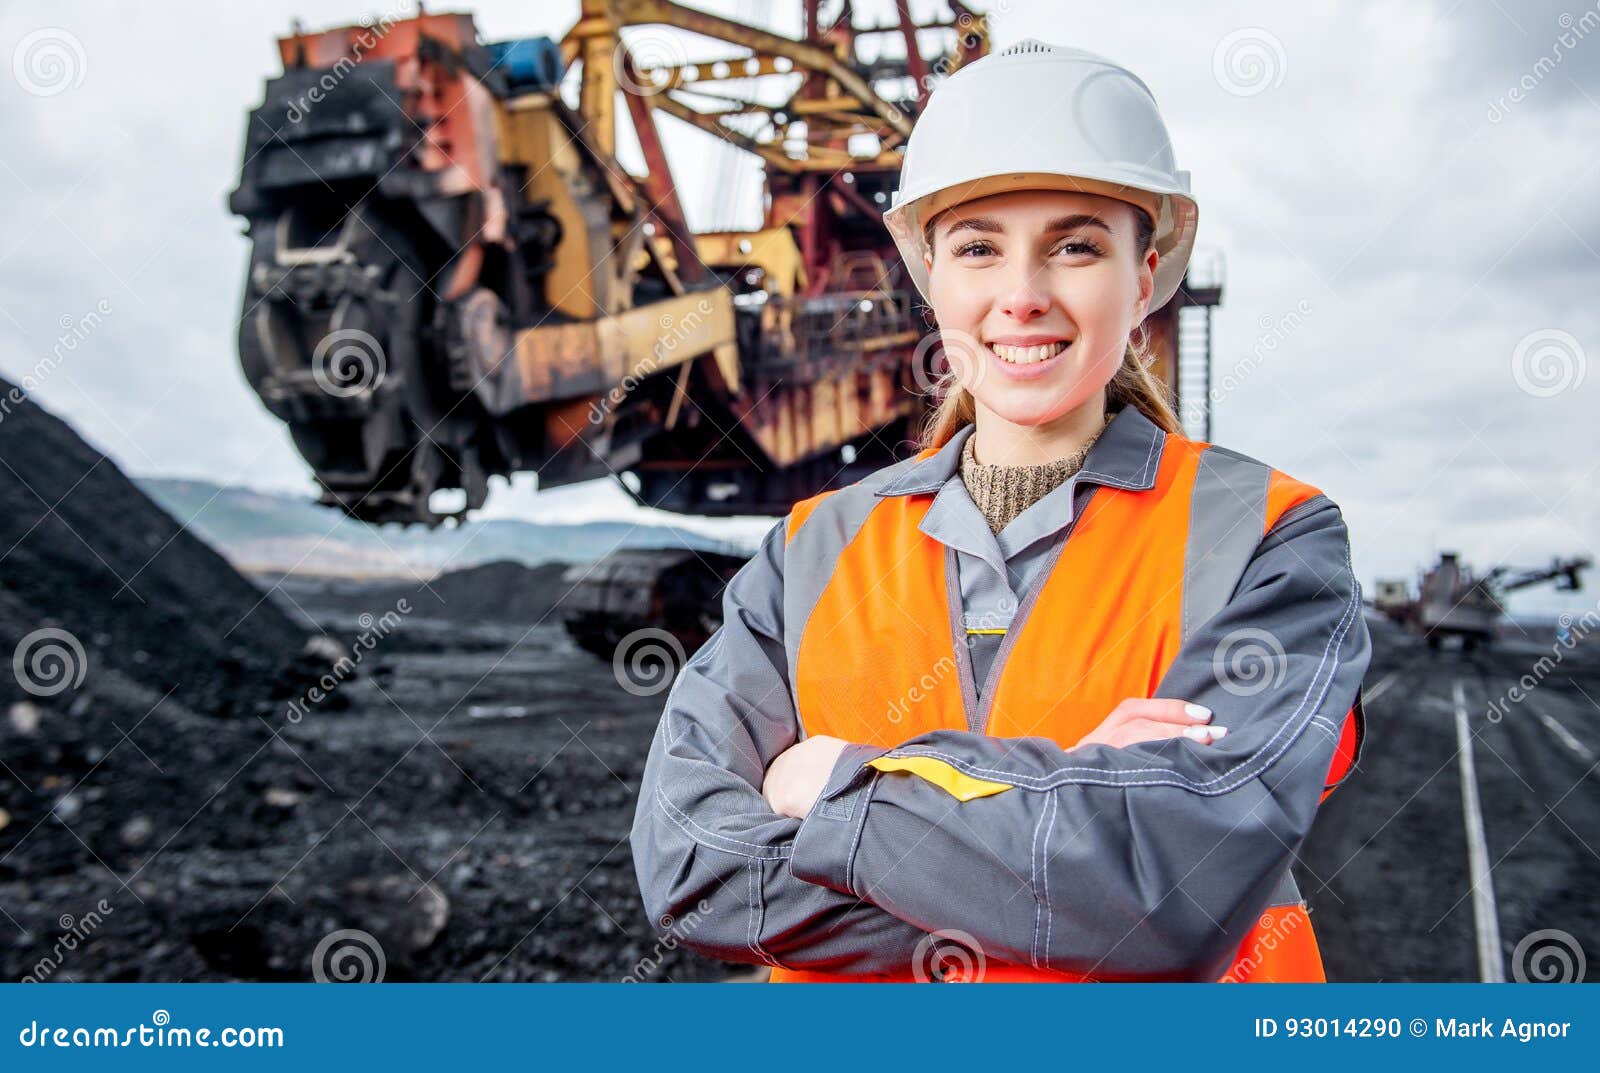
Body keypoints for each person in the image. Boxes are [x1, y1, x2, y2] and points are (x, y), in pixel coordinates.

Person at [630, 40, 1369, 983]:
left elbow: (1170, 899)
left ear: (1144, 276)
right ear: (931, 275)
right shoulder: (809, 551)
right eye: (979, 247)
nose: (1022, 296)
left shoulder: (1267, 537)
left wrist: (831, 780)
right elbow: (691, 867)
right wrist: (1061, 817)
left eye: (1075, 245)